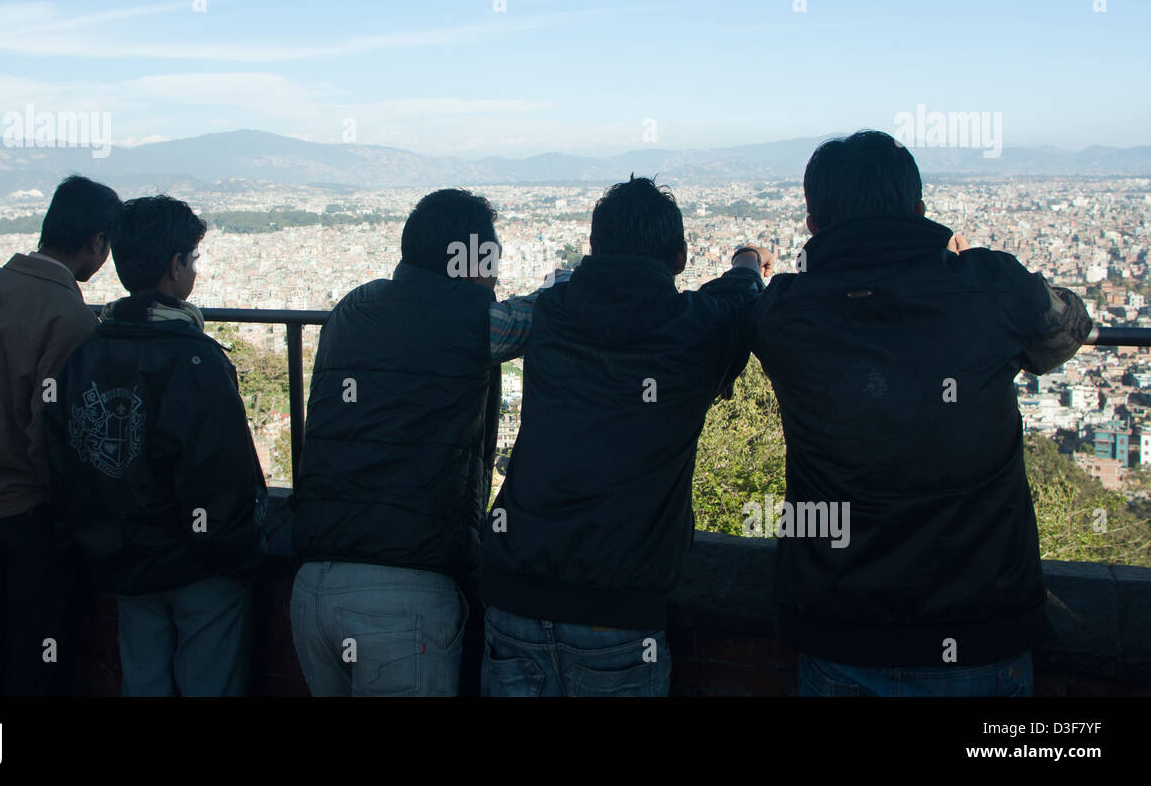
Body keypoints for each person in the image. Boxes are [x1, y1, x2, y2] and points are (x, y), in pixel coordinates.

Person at [747, 130, 1091, 696]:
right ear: (919, 209)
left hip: (839, 626)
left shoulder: (785, 310)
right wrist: (964, 270)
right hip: (983, 624)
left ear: (812, 224)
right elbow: (1065, 335)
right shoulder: (991, 286)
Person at [478, 175, 771, 696]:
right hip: (618, 613)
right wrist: (748, 260)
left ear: (594, 248)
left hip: (511, 599)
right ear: (680, 257)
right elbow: (739, 296)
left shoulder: (552, 313)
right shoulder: (698, 329)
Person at [290, 188, 570, 696]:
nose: (496, 277)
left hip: (312, 584)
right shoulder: (474, 322)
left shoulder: (354, 307)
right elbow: (540, 315)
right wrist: (570, 281)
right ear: (468, 260)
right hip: (404, 595)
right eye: (491, 261)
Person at [44, 195, 266, 696]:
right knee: (209, 680)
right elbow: (220, 470)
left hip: (122, 558)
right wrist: (237, 552)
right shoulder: (194, 358)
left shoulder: (86, 353)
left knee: (142, 682)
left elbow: (67, 456)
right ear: (175, 266)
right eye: (192, 258)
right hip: (198, 564)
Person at [0, 175, 121, 695]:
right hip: (31, 513)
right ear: (97, 243)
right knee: (37, 652)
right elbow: (51, 432)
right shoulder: (69, 317)